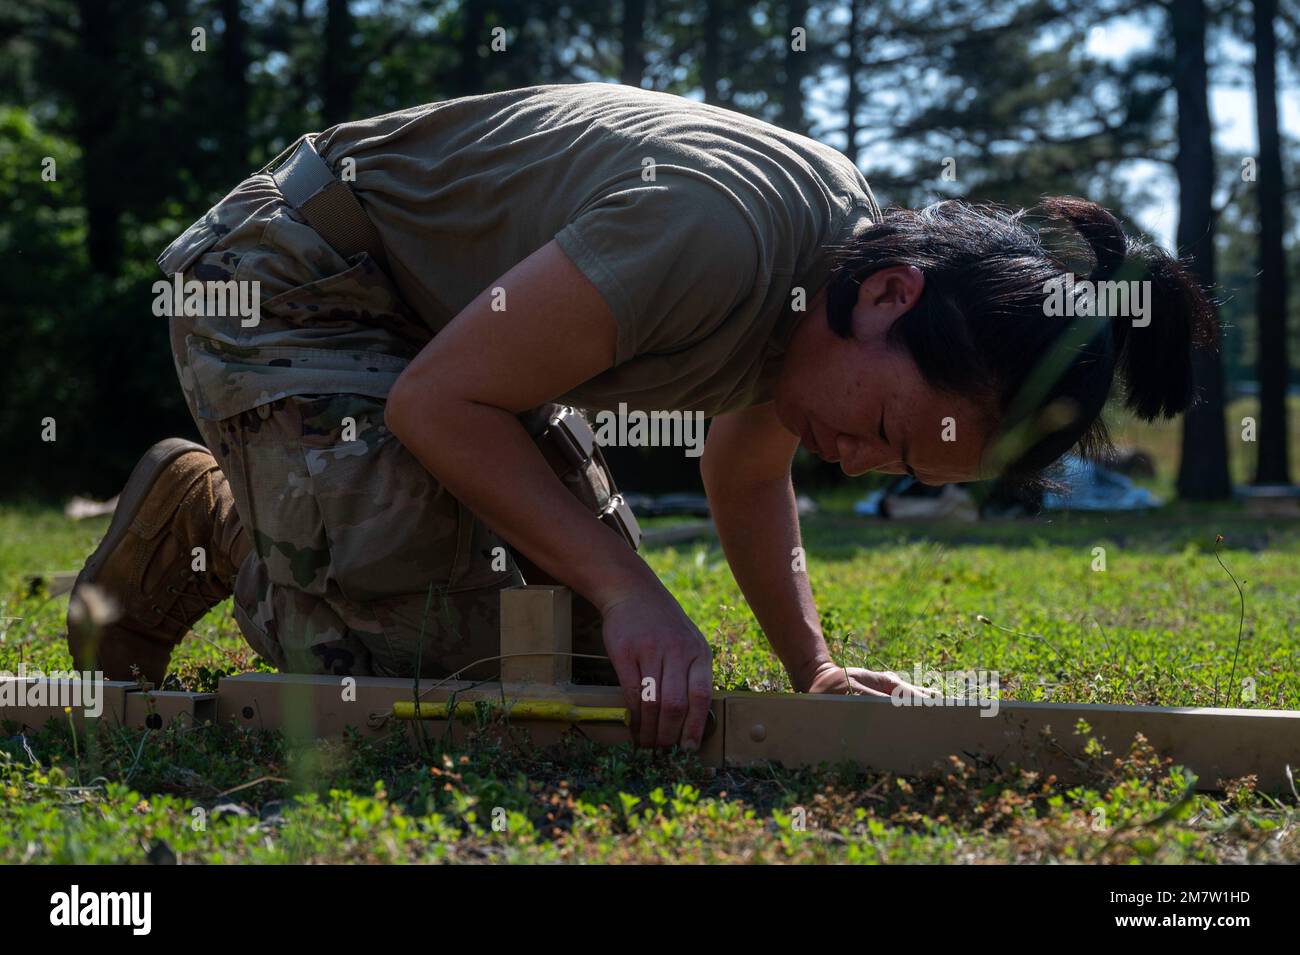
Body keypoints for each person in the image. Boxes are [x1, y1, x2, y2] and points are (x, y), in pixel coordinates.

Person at [67, 83, 1212, 752]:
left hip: (445, 332)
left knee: (585, 679)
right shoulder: (713, 236)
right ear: (891, 294)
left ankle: (272, 503)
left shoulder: (828, 296)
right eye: (889, 431)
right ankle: (215, 522)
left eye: (900, 469)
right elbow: (437, 401)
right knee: (433, 664)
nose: (857, 461)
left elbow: (746, 470)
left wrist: (810, 666)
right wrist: (632, 584)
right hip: (297, 273)